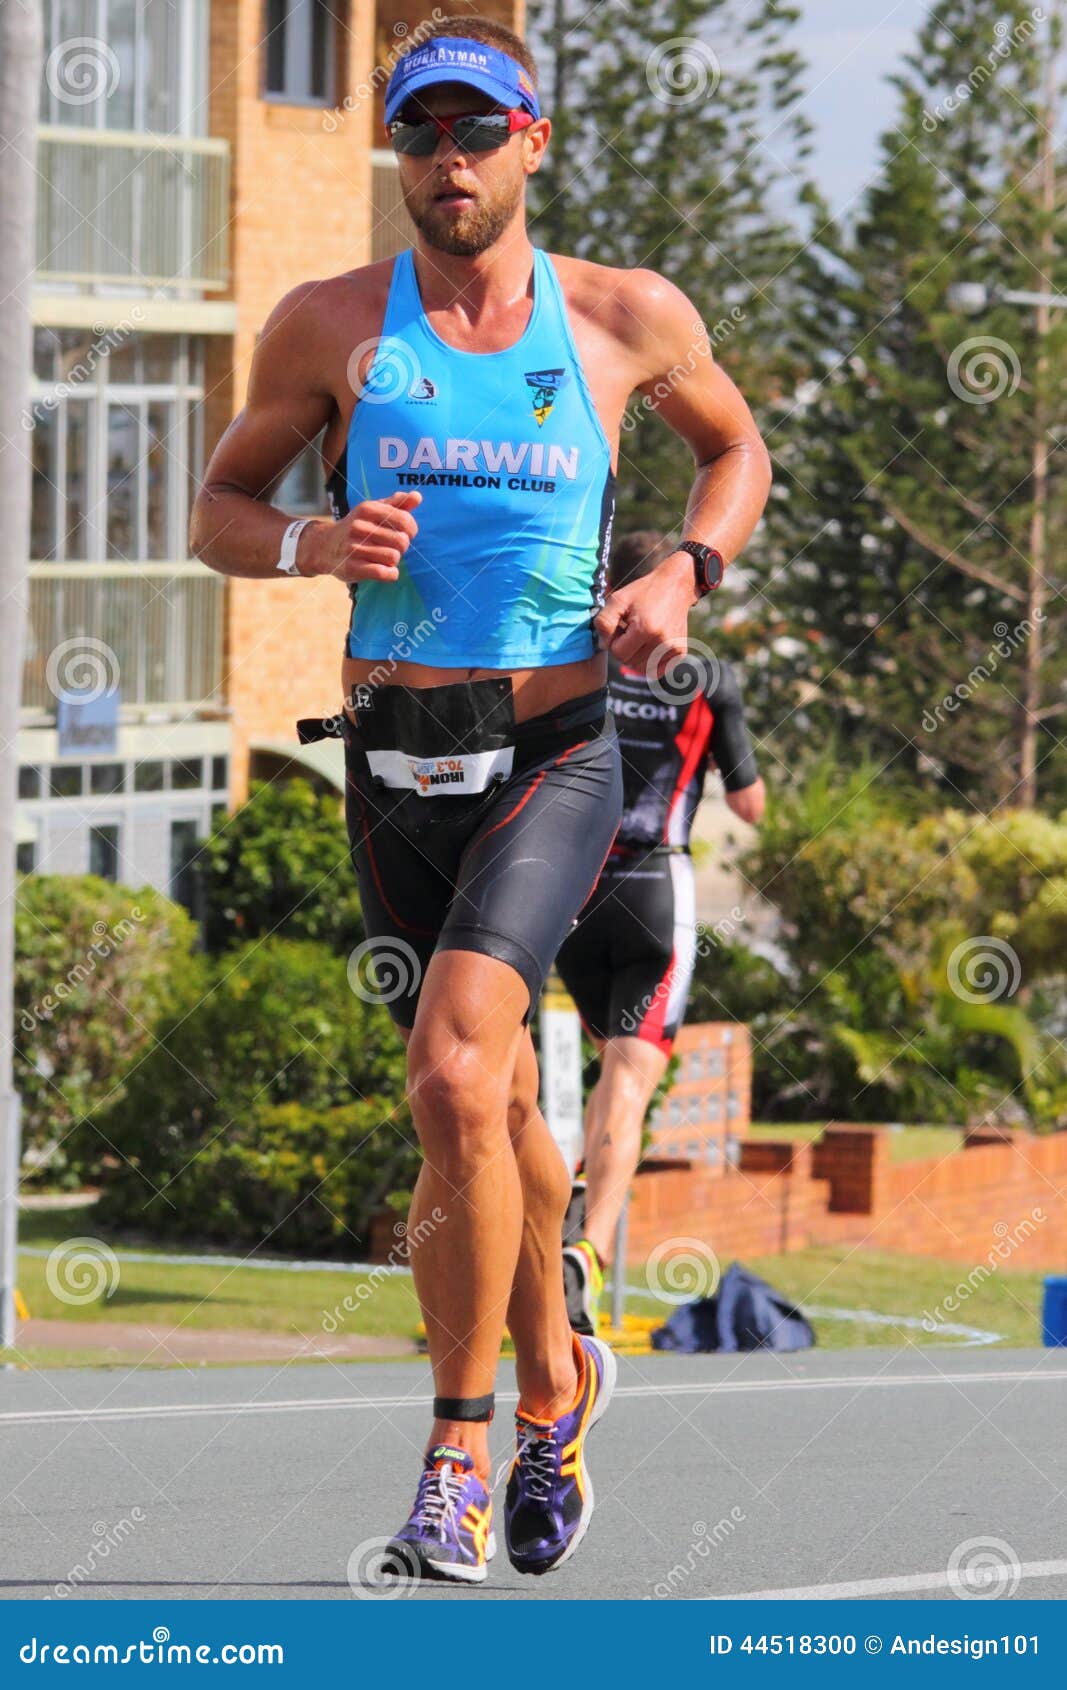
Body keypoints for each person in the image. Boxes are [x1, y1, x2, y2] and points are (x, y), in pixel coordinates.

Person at [190, 16, 770, 1586]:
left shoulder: (620, 317)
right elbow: (219, 506)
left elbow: (736, 452)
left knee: (448, 1079)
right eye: (419, 134)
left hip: (551, 754)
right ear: (397, 152)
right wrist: (314, 544)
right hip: (389, 764)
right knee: (495, 1108)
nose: (445, 161)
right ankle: (557, 1386)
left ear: (530, 142)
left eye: (473, 131)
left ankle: (454, 1454)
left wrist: (684, 567)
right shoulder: (327, 325)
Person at [556, 530, 765, 1335]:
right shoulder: (707, 679)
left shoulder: (576, 654)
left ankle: (567, 1194)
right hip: (655, 889)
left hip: (567, 887)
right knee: (627, 1083)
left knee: (596, 1071)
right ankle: (589, 1248)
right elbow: (748, 806)